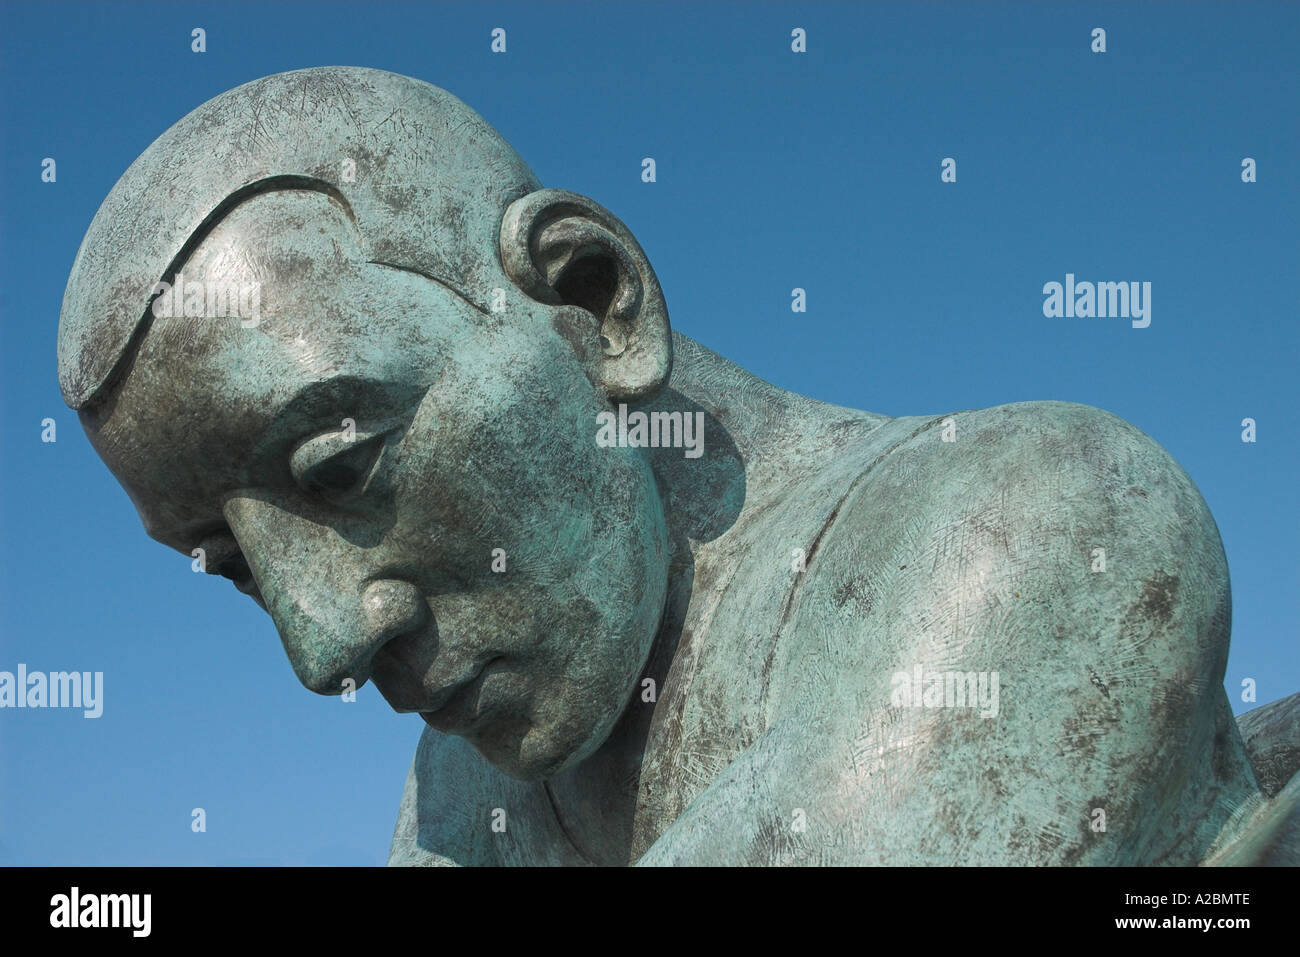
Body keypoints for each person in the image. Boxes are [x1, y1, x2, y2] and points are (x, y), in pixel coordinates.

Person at [58, 67, 1295, 865]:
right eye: (231, 568)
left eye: (338, 466)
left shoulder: (1035, 523)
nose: (322, 647)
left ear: (596, 305)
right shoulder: (465, 795)